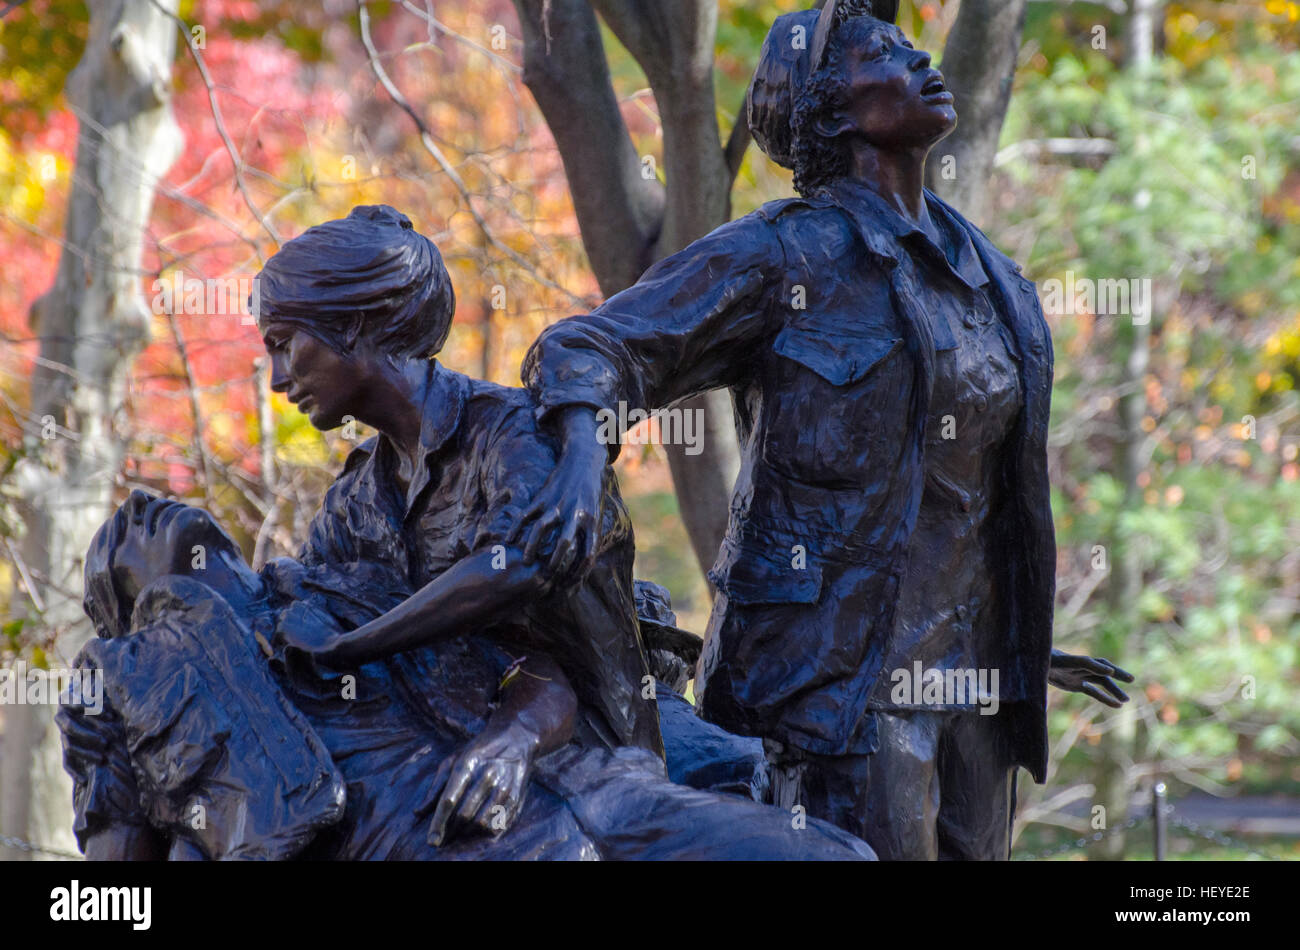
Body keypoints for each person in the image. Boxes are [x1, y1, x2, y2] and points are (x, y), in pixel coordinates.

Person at [510, 0, 1129, 859]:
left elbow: (974, 500)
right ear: (829, 109)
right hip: (830, 695)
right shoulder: (782, 256)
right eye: (884, 50)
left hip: (975, 693)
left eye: (913, 43)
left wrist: (1026, 640)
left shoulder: (999, 282)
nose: (919, 56)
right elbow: (590, 347)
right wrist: (581, 459)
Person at [59, 491, 876, 860]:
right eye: (119, 534)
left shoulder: (348, 579)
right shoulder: (128, 683)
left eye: (151, 498)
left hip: (594, 789)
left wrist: (515, 735)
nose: (141, 504)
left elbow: (537, 667)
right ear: (123, 606)